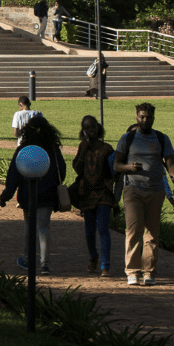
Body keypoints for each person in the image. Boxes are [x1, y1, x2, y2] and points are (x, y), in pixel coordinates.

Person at [113, 102, 174, 285]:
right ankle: (133, 271)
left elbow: (170, 163)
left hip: (155, 190)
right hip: (133, 190)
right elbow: (116, 165)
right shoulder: (127, 138)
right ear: (136, 116)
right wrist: (129, 167)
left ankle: (149, 272)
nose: (145, 120)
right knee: (134, 231)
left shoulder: (161, 138)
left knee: (152, 233)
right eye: (142, 116)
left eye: (149, 117)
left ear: (153, 118)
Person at [0, 114, 67, 274]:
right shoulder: (52, 148)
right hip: (48, 194)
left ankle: (28, 259)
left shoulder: (24, 149)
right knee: (43, 228)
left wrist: (6, 195)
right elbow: (61, 171)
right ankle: (44, 264)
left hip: (28, 194)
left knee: (29, 227)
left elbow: (13, 175)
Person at [70, 115, 118, 276]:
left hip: (103, 193)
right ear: (83, 130)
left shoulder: (107, 148)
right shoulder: (82, 148)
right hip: (86, 193)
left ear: (98, 128)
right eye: (87, 128)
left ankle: (106, 265)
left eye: (93, 127)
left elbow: (114, 171)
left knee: (103, 228)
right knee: (89, 231)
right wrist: (83, 150)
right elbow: (77, 168)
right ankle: (93, 256)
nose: (90, 131)